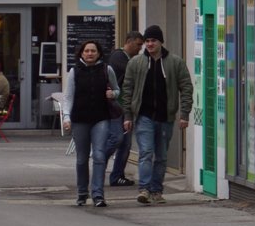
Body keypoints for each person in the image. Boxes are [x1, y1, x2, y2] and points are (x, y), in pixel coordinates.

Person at [120, 25, 193, 205]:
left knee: (161, 156)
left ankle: (156, 190)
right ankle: (144, 189)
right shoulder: (135, 63)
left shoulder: (175, 63)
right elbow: (127, 90)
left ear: (161, 42)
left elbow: (186, 87)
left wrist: (184, 114)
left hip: (165, 116)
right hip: (143, 115)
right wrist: (128, 115)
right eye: (147, 41)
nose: (150, 44)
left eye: (153, 40)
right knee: (146, 152)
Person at [60, 39, 120, 206]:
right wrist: (66, 117)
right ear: (81, 53)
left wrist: (113, 94)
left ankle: (98, 194)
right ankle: (82, 192)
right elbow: (68, 96)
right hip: (80, 120)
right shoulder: (75, 71)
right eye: (87, 51)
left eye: (93, 51)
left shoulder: (106, 70)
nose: (90, 54)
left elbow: (117, 90)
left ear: (99, 53)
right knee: (81, 158)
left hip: (101, 118)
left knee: (99, 155)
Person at [105, 32, 141, 187]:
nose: (140, 48)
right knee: (117, 139)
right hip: (117, 107)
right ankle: (100, 160)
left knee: (126, 143)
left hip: (126, 106)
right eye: (138, 44)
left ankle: (117, 176)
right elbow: (133, 74)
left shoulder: (128, 59)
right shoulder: (118, 57)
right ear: (129, 42)